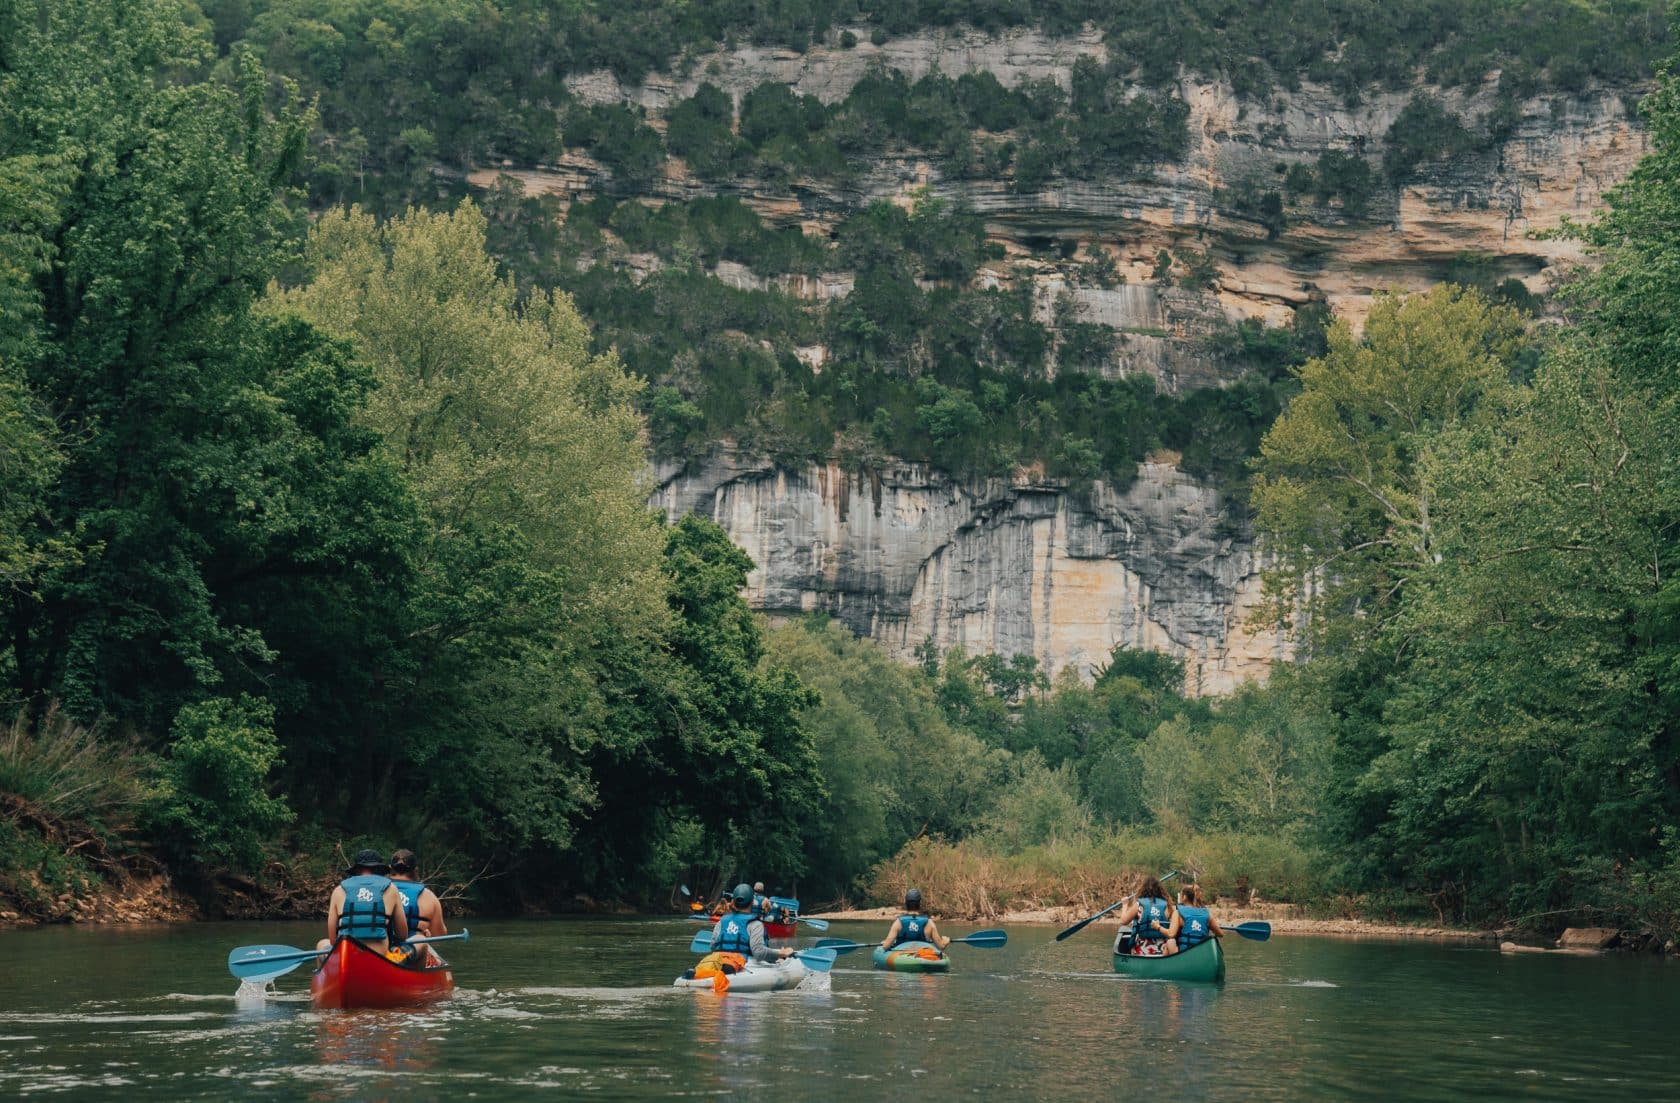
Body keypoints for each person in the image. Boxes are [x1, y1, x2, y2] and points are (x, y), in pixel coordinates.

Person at [688, 883, 794, 983]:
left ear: (733, 901)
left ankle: (698, 973)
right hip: (744, 963)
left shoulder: (722, 921)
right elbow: (758, 953)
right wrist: (781, 953)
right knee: (780, 960)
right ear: (752, 902)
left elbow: (713, 946)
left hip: (718, 960)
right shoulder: (755, 924)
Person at [317, 848, 408, 954]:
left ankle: (326, 970)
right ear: (379, 869)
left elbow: (333, 940)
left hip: (347, 953)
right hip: (379, 955)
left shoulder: (338, 890)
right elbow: (402, 935)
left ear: (356, 870)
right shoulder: (391, 888)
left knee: (322, 944)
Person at [389, 849, 447, 962]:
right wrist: (426, 935)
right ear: (415, 870)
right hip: (412, 959)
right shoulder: (429, 897)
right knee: (424, 943)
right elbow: (439, 937)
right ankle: (399, 959)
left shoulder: (380, 891)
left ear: (390, 868)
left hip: (381, 951)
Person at [1115, 875, 1178, 956]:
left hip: (1142, 949)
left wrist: (1125, 905)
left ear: (1143, 889)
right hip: (1163, 949)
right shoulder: (1168, 906)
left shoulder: (1139, 904)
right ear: (1160, 889)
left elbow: (1123, 921)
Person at [880, 888, 950, 952]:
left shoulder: (898, 922)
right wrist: (945, 941)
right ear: (919, 903)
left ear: (906, 903)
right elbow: (941, 946)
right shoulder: (929, 923)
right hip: (922, 954)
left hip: (902, 954)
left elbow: (886, 946)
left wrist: (886, 942)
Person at [1174, 884, 1223, 951]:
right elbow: (1220, 933)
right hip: (1200, 947)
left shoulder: (1180, 910)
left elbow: (1171, 933)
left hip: (1185, 947)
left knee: (1170, 941)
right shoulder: (1204, 911)